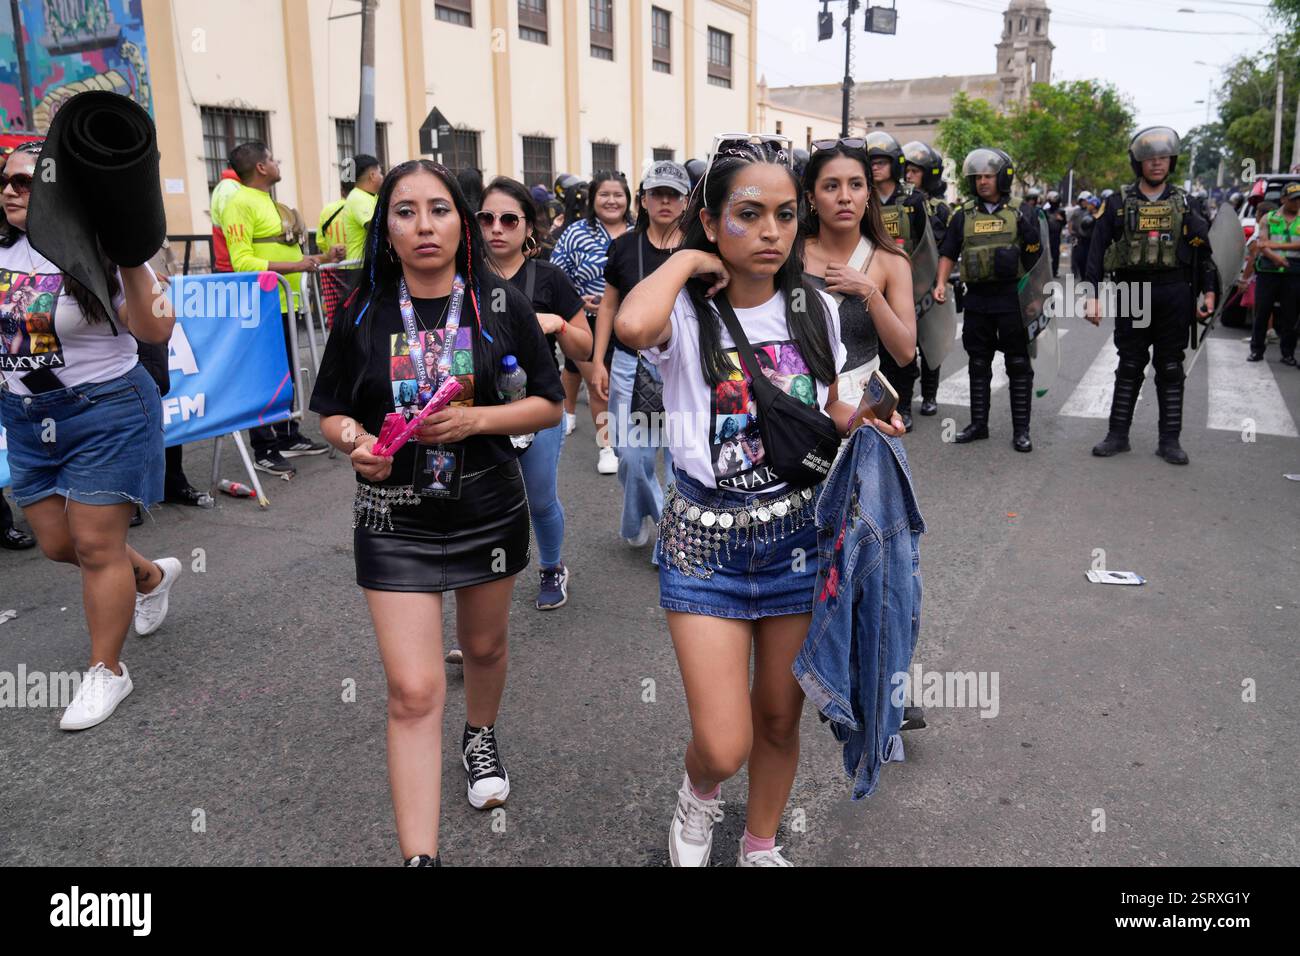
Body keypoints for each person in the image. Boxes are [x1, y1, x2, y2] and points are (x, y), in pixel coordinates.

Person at [616, 134, 905, 868]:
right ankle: (699, 791)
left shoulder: (818, 311)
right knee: (723, 739)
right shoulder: (685, 310)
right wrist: (684, 259)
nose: (772, 232)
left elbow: (831, 409)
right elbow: (629, 327)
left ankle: (760, 844)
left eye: (784, 214)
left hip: (800, 539)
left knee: (779, 718)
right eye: (749, 214)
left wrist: (866, 416)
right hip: (704, 548)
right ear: (712, 221)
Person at [309, 160, 563, 866]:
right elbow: (328, 410)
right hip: (393, 516)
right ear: (385, 227)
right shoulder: (363, 309)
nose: (424, 225)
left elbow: (549, 401)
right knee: (414, 689)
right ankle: (420, 858)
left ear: (463, 222)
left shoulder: (500, 304)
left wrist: (479, 418)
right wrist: (355, 441)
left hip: (486, 505)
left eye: (441, 210)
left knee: (482, 649)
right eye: (405, 211)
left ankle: (479, 733)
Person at [0, 140, 183, 730]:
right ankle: (151, 576)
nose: (9, 191)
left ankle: (107, 671)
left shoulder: (101, 248)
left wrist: (130, 254)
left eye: (25, 183)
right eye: (5, 181)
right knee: (59, 544)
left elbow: (155, 327)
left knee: (98, 545)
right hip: (26, 418)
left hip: (105, 408)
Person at [479, 176, 593, 608]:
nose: (497, 228)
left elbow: (585, 346)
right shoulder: (460, 276)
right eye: (486, 218)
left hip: (536, 405)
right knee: (483, 505)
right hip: (478, 408)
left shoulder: (548, 277)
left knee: (540, 499)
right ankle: (483, 595)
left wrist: (559, 325)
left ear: (529, 228)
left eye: (509, 219)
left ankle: (551, 568)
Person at [1085, 126, 1218, 465]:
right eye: (1150, 159)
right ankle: (1118, 435)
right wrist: (1091, 294)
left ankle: (1169, 440)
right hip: (1133, 290)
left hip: (1175, 292)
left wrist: (1210, 292)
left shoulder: (1186, 204)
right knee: (1129, 364)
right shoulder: (1118, 203)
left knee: (1171, 366)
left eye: (1163, 158)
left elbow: (1203, 251)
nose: (1157, 164)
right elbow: (1096, 248)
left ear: (1170, 162)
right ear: (1138, 163)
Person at [222, 141, 341, 474]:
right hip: (264, 305)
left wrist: (324, 258)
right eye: (272, 159)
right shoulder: (239, 203)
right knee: (264, 377)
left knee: (287, 375)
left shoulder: (271, 203)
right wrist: (298, 268)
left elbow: (292, 257)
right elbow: (242, 262)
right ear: (261, 167)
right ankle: (264, 447)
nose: (277, 163)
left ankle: (288, 436)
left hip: (288, 303)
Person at [590, 161, 689, 549]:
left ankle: (670, 532)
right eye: (657, 193)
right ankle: (663, 521)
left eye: (674, 194)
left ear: (685, 201)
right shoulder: (624, 247)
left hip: (685, 365)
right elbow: (609, 307)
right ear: (643, 199)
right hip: (631, 364)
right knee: (632, 458)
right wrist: (600, 360)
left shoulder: (698, 247)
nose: (665, 200)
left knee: (683, 460)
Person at [933, 148, 1044, 452]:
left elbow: (1037, 257)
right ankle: (978, 424)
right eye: (978, 177)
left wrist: (1036, 297)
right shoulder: (964, 214)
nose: (982, 182)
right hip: (978, 301)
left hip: (1013, 300)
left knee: (1019, 364)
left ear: (1002, 178)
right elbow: (948, 252)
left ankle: (1022, 431)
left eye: (988, 176)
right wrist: (940, 283)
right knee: (978, 363)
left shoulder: (1022, 212)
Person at [801, 138, 915, 413]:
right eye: (831, 186)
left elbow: (905, 353)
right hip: (799, 399)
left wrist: (869, 292)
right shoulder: (788, 256)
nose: (844, 196)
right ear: (811, 198)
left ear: (868, 193)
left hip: (861, 404)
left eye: (855, 184)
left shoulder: (892, 262)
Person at [549, 171, 634, 473]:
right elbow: (555, 274)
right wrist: (575, 298)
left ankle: (569, 412)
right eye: (604, 194)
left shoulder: (639, 232)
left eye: (618, 195)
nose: (612, 200)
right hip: (584, 321)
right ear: (593, 198)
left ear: (628, 199)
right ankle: (607, 446)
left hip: (630, 324)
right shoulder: (575, 233)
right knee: (599, 385)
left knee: (586, 373)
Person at [864, 132, 929, 432]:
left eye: (882, 162)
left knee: (905, 349)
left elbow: (925, 246)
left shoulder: (914, 200)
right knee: (876, 349)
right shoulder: (864, 198)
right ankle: (882, 404)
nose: (876, 168)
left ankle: (904, 405)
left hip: (904, 285)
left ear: (895, 164)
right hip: (872, 282)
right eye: (871, 163)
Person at [902, 140, 953, 417]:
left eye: (916, 171)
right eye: (907, 170)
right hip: (901, 284)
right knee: (905, 346)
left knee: (930, 341)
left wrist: (943, 281)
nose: (909, 175)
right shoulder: (899, 203)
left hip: (930, 284)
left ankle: (930, 396)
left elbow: (949, 247)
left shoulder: (940, 209)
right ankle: (905, 402)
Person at [1247, 181, 1300, 366]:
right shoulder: (1268, 218)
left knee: (1290, 315)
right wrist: (1275, 257)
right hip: (1269, 269)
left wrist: (1275, 246)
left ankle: (1288, 353)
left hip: (1294, 272)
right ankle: (1256, 350)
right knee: (1262, 312)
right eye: (1293, 199)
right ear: (1284, 199)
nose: (1297, 203)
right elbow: (1262, 243)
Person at [342, 154, 383, 266]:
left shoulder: (369, 197)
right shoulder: (358, 198)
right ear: (372, 176)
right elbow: (376, 227)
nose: (382, 176)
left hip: (369, 264)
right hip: (360, 267)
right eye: (380, 172)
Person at [1069, 192, 1100, 281]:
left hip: (1091, 241)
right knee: (1078, 257)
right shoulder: (1078, 212)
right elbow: (1071, 222)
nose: (1086, 204)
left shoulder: (1098, 215)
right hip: (1079, 238)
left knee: (1090, 260)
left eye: (1089, 203)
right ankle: (1079, 274)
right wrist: (1071, 232)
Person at [1044, 189, 1066, 277]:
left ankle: (1054, 271)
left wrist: (1061, 219)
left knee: (1055, 254)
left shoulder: (1061, 211)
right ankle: (1046, 271)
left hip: (1056, 235)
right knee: (1046, 254)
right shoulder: (1045, 211)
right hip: (1046, 235)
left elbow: (1065, 223)